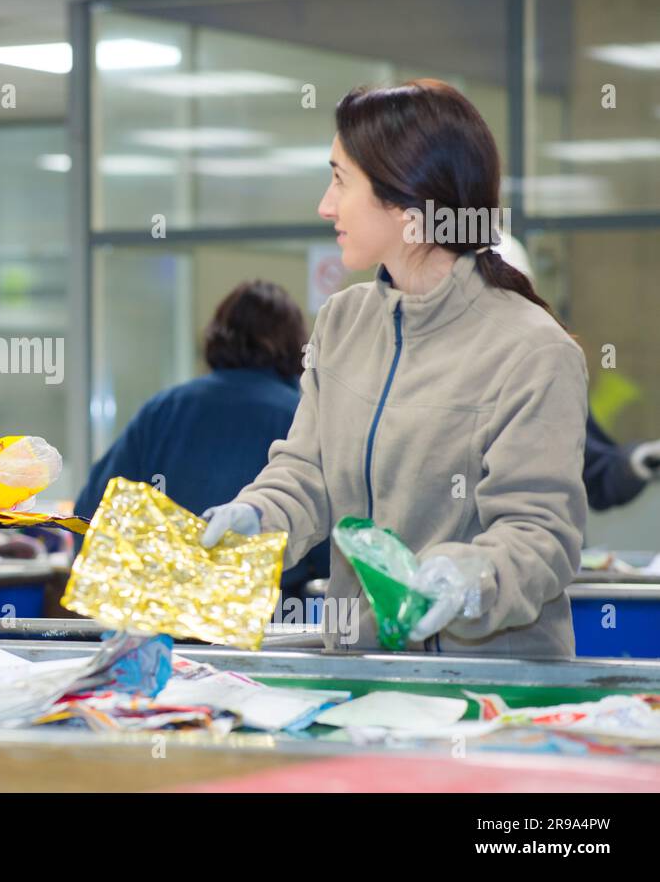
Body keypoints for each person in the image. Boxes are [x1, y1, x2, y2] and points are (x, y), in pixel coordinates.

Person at [202, 79, 588, 657]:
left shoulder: (533, 350)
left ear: (406, 199)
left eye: (339, 180)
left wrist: (469, 580)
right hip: (363, 673)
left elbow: (540, 537)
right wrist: (258, 515)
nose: (325, 205)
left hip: (486, 690)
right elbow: (307, 472)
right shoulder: (342, 322)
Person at [75, 281, 329, 598]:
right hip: (269, 617)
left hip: (167, 609)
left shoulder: (163, 410)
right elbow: (328, 533)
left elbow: (91, 512)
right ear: (295, 344)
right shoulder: (301, 417)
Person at [493, 235, 660, 512]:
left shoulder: (546, 375)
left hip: (547, 548)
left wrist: (636, 461)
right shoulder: (437, 376)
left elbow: (594, 472)